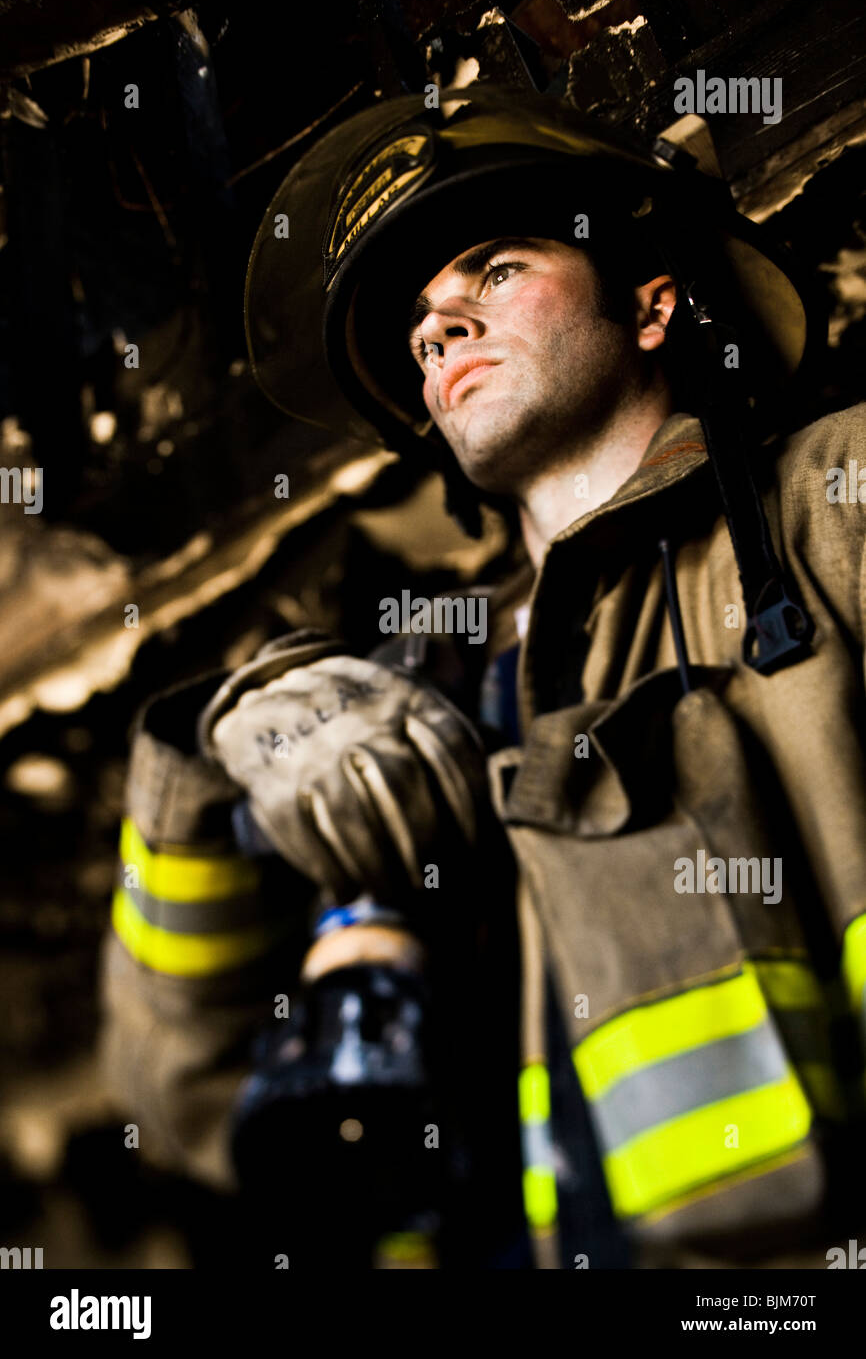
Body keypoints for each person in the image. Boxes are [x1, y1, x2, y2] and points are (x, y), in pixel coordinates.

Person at [100, 84, 866, 1269]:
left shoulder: (831, 503)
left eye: (492, 270)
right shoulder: (409, 699)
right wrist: (210, 750)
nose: (435, 326)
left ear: (652, 303)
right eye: (419, 319)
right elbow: (179, 1101)